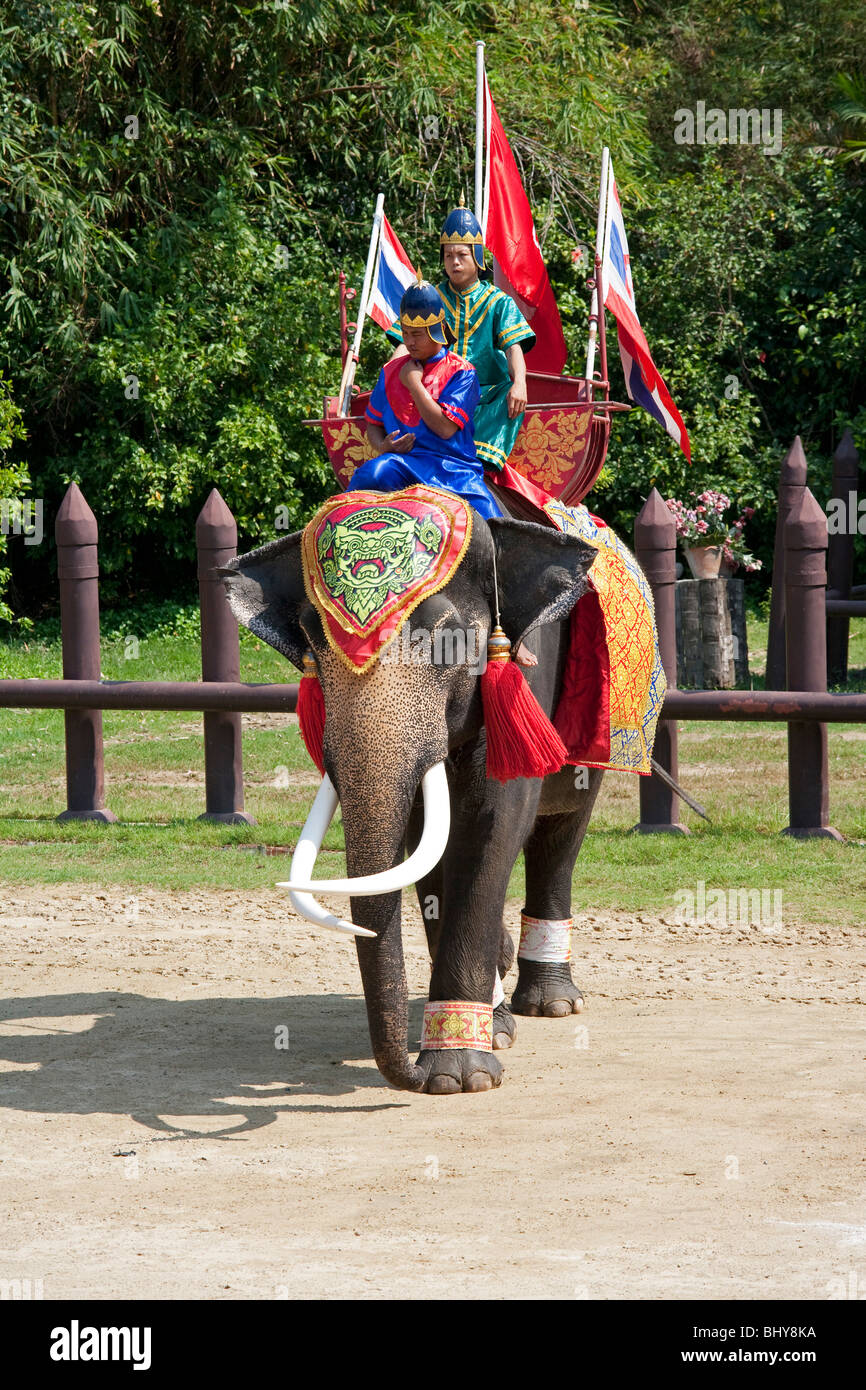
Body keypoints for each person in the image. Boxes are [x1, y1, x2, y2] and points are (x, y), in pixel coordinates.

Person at [387, 202, 536, 474]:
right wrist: (389, 378)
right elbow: (403, 345)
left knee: (509, 392)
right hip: (436, 395)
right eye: (448, 256)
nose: (454, 262)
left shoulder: (498, 302)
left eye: (461, 255)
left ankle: (483, 461)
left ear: (476, 256)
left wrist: (520, 383)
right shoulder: (429, 298)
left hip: (484, 396)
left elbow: (514, 349)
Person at [347, 278, 503, 522]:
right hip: (403, 463)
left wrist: (414, 384)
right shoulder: (390, 371)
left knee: (493, 521)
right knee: (371, 474)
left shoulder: (462, 372)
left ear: (436, 331)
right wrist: (383, 446)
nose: (409, 342)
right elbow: (373, 424)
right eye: (405, 333)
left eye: (417, 334)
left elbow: (444, 428)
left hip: (453, 469)